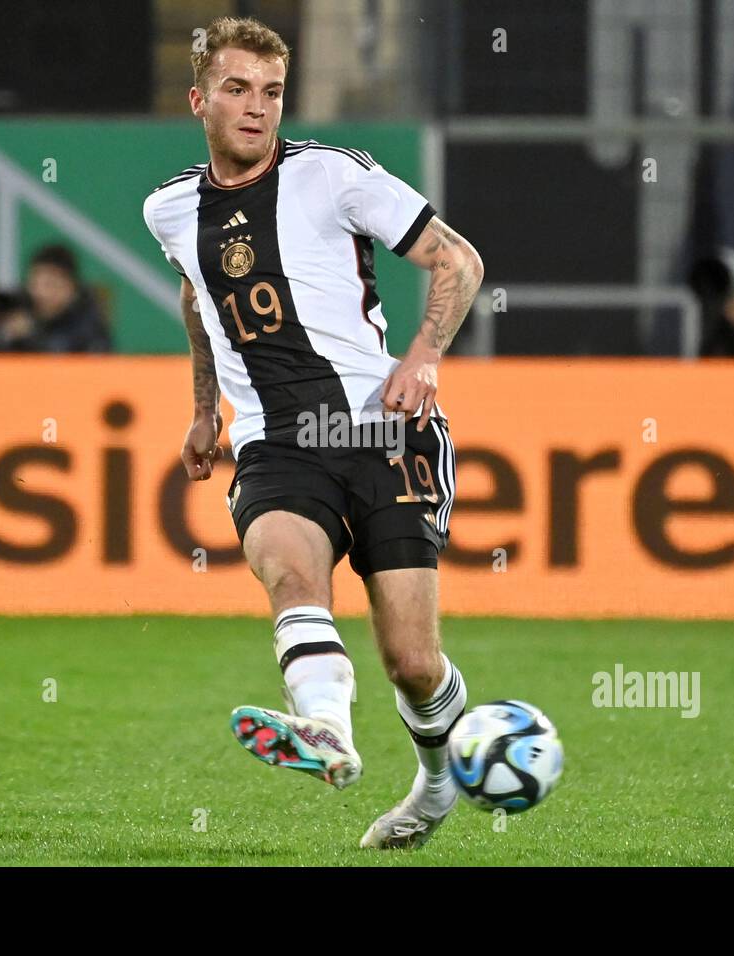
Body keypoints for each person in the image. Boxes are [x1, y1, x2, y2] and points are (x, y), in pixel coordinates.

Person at [142, 16, 484, 849]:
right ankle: (327, 730)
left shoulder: (334, 177)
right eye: (237, 90)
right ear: (199, 100)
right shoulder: (170, 209)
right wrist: (202, 408)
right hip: (275, 440)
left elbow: (458, 261)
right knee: (293, 579)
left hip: (383, 431)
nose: (257, 109)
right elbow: (197, 300)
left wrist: (426, 358)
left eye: (272, 93)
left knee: (411, 661)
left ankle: (437, 786)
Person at [22, 244, 113, 353]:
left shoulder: (88, 322)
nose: (40, 293)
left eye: (50, 284)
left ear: (71, 288)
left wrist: (30, 336)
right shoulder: (22, 308)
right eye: (35, 284)